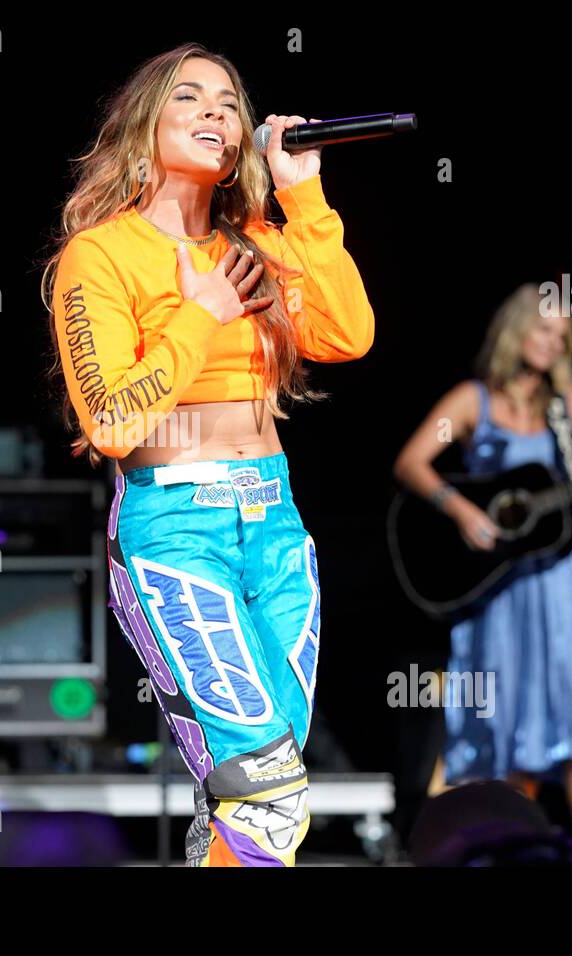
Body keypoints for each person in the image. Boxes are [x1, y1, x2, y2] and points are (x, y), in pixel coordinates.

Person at [42, 43, 376, 865]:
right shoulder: (102, 254)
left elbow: (347, 333)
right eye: (189, 98)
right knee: (265, 790)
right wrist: (202, 315)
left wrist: (306, 196)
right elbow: (113, 421)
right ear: (144, 123)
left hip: (273, 523)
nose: (215, 114)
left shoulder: (256, 241)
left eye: (228, 103)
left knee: (268, 793)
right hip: (175, 527)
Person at [392, 283, 572, 842]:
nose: (552, 343)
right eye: (544, 329)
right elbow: (412, 462)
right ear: (517, 329)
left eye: (562, 335)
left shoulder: (569, 401)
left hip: (564, 582)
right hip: (497, 589)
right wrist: (463, 512)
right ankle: (501, 845)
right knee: (501, 716)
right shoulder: (474, 400)